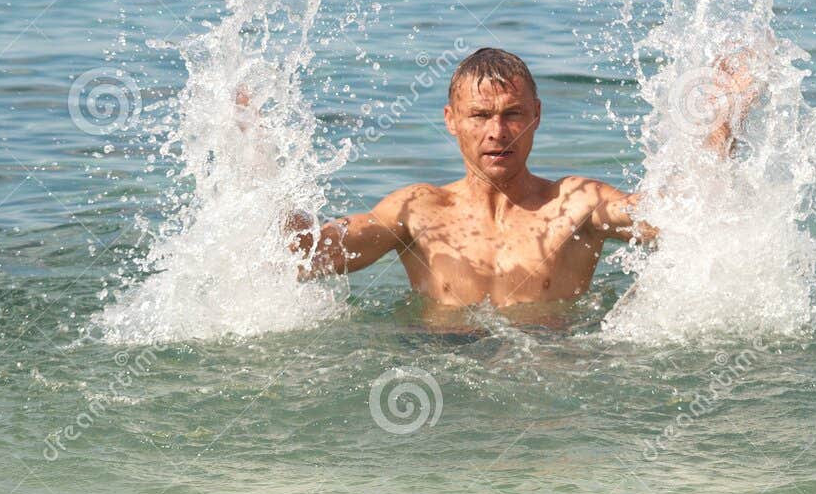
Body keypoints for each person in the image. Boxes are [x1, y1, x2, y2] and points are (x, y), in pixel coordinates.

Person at [275, 47, 751, 308]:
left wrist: (723, 121)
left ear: (537, 116)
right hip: (442, 372)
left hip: (549, 372)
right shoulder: (418, 211)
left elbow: (684, 219)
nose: (497, 132)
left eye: (513, 114)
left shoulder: (575, 205)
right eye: (479, 115)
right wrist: (258, 164)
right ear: (451, 119)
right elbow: (310, 252)